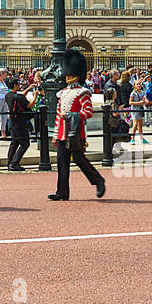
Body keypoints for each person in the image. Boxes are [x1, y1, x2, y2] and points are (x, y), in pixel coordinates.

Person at [47, 49, 106, 200]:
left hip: (76, 132)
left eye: (70, 74)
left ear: (76, 75)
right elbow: (58, 118)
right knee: (62, 163)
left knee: (80, 160)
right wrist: (55, 136)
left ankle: (98, 180)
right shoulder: (63, 93)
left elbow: (88, 111)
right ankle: (62, 192)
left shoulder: (83, 92)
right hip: (62, 133)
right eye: (67, 74)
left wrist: (73, 115)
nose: (67, 77)